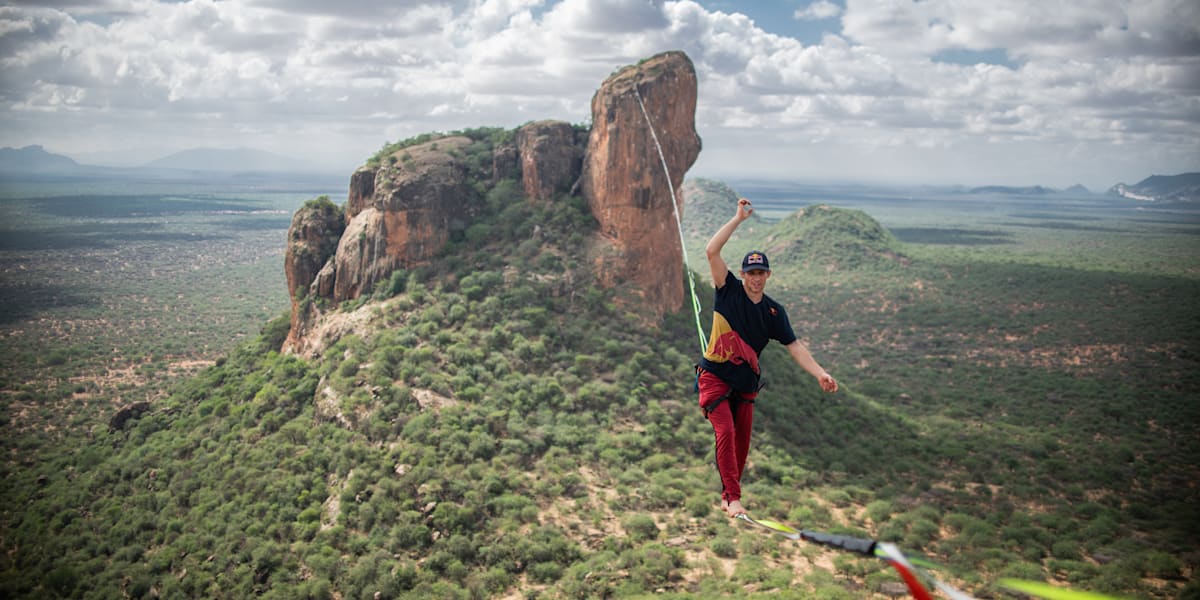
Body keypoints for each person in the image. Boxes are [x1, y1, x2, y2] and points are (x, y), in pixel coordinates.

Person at [698, 197, 839, 518]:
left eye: (761, 272)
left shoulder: (774, 311)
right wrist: (737, 219)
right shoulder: (728, 289)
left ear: (768, 275)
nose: (756, 278)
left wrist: (819, 373)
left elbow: (795, 346)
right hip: (715, 378)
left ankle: (727, 494)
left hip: (746, 383)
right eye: (751, 272)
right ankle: (733, 498)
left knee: (743, 443)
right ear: (743, 274)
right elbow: (711, 252)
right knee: (726, 432)